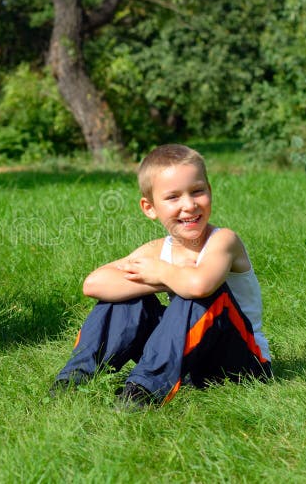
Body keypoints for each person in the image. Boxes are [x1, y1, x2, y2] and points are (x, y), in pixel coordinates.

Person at [52, 144, 271, 407]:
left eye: (198, 191)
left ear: (210, 192)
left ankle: (143, 390)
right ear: (150, 207)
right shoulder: (157, 250)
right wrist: (154, 279)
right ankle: (75, 378)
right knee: (124, 299)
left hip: (242, 364)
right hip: (191, 361)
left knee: (196, 293)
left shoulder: (223, 240)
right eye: (173, 197)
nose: (189, 205)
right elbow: (94, 283)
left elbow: (199, 285)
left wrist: (162, 272)